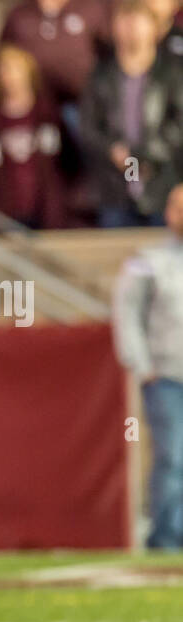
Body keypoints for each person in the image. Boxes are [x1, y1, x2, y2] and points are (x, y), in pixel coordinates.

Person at [113, 182, 183, 549]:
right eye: (177, 206)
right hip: (168, 375)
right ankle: (167, 539)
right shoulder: (150, 260)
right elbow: (128, 313)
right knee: (172, 457)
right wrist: (142, 365)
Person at [80, 0, 183, 228]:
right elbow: (88, 126)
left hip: (161, 184)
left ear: (154, 28)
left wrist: (143, 154)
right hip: (115, 188)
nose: (131, 28)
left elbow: (178, 125)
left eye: (139, 20)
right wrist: (112, 150)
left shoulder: (172, 72)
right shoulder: (101, 75)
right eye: (125, 20)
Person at [0, 43, 67, 228]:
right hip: (3, 219)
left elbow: (70, 163)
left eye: (15, 69)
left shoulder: (48, 115)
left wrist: (58, 200)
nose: (10, 77)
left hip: (48, 216)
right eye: (4, 70)